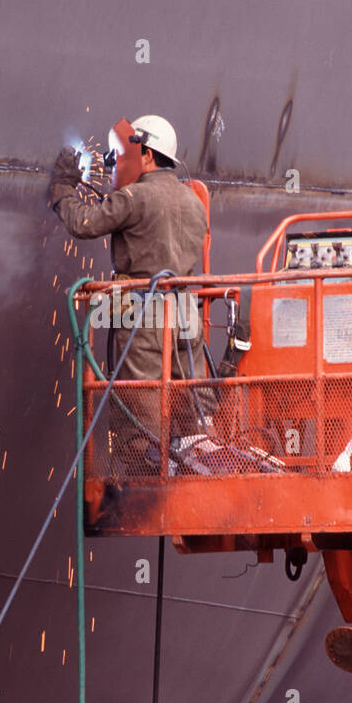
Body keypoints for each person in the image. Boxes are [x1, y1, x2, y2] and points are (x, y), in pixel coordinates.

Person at [49, 115, 209, 472]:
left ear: (148, 156)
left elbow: (83, 223)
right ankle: (190, 468)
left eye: (126, 156)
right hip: (186, 314)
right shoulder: (193, 202)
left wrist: (62, 189)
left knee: (139, 405)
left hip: (140, 313)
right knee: (187, 396)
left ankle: (147, 479)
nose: (119, 165)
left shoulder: (134, 198)